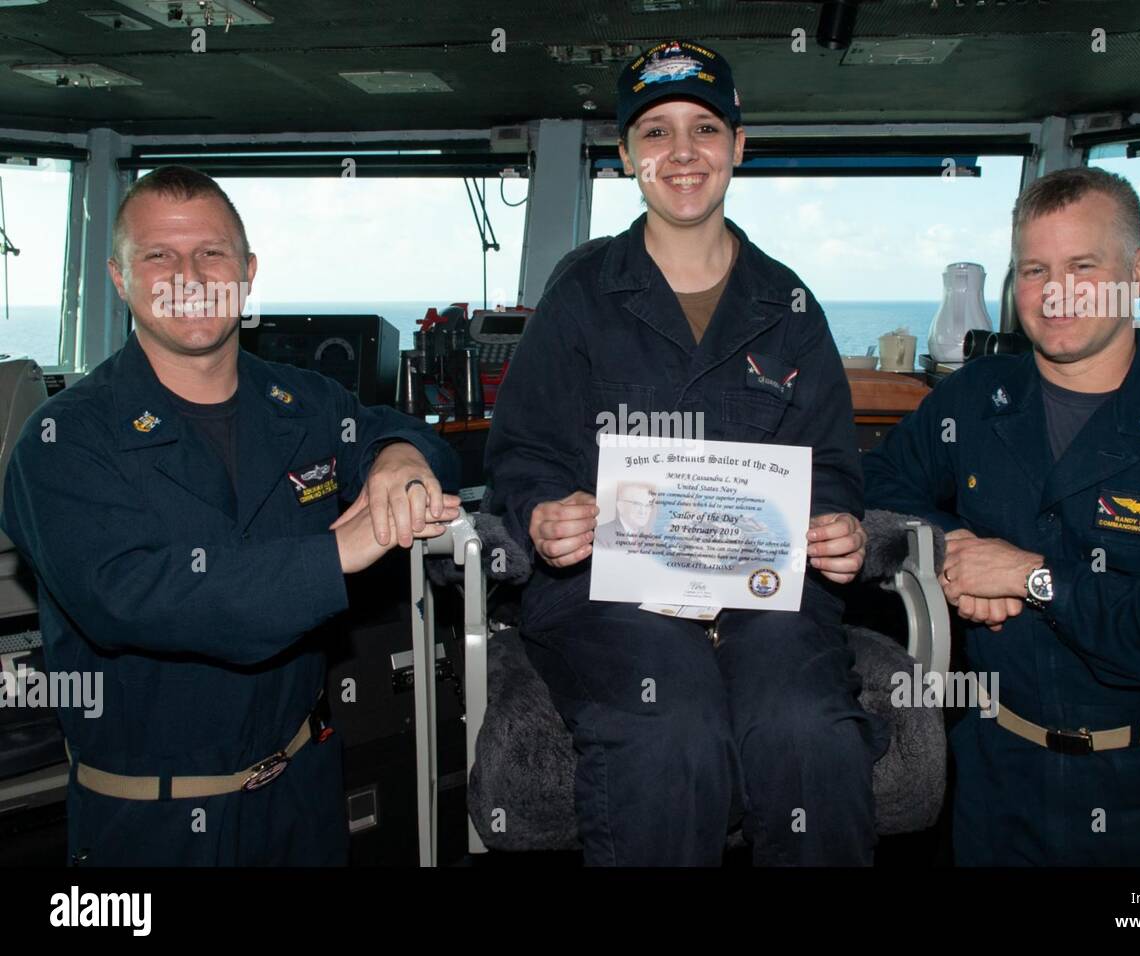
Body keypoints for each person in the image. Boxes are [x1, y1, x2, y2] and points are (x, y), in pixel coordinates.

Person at [485, 39, 883, 866]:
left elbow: (832, 464)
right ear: (628, 155)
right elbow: (521, 451)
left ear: (739, 145)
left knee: (809, 729)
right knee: (673, 727)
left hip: (764, 592)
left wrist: (838, 522)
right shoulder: (579, 295)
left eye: (704, 128)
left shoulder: (791, 305)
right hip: (607, 587)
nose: (683, 153)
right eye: (656, 132)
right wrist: (543, 514)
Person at [0, 166, 461, 866]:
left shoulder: (302, 402)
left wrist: (398, 452)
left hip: (302, 795)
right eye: (158, 255)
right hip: (151, 820)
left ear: (246, 273)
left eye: (211, 253)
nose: (189, 273)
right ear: (120, 279)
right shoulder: (62, 442)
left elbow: (403, 439)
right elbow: (135, 599)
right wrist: (337, 553)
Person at [860, 166, 1140, 865]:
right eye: (1034, 269)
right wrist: (952, 548)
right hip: (993, 777)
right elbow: (877, 482)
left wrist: (1033, 577)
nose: (1054, 294)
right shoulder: (976, 397)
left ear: (1137, 271)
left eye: (1083, 267)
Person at [593, 481, 657, 550]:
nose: (643, 511)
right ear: (620, 506)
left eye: (648, 505)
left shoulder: (650, 540)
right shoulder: (601, 535)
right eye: (637, 504)